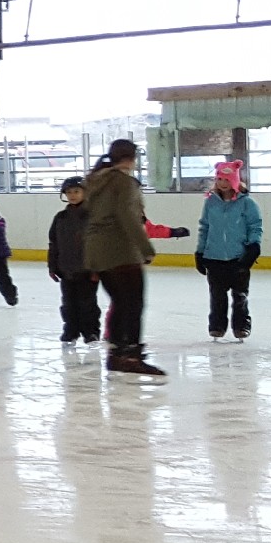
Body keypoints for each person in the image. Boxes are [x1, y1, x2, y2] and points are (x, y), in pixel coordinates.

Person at [83, 139, 160, 376]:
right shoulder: (124, 183)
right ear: (132, 157)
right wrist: (146, 248)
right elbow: (129, 217)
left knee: (121, 302)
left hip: (97, 251)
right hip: (120, 251)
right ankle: (130, 355)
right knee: (133, 303)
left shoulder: (95, 181)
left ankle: (117, 353)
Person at [196, 160, 263, 343]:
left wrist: (253, 246)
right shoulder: (210, 202)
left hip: (238, 257)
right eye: (219, 179)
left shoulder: (247, 203)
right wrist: (200, 252)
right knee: (217, 295)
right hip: (214, 257)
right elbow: (204, 227)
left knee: (240, 295)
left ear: (234, 180)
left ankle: (241, 326)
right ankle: (217, 326)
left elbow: (255, 226)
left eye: (226, 179)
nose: (222, 183)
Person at [48, 179, 99, 346]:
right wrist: (52, 266)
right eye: (69, 192)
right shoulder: (61, 218)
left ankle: (91, 331)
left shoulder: (93, 216)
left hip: (87, 269)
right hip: (66, 268)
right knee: (68, 303)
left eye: (76, 192)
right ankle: (70, 330)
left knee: (87, 303)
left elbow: (100, 243)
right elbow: (54, 243)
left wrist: (97, 268)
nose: (72, 196)